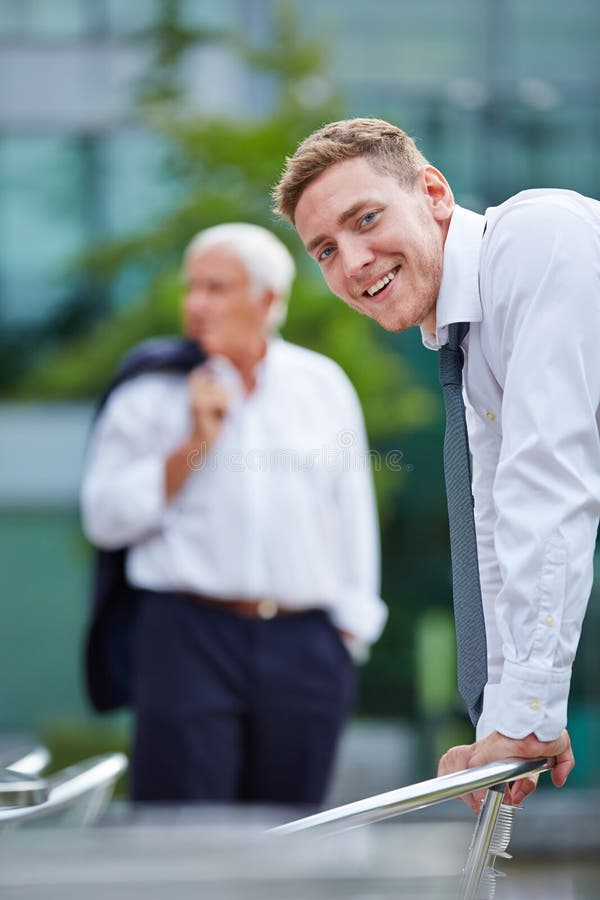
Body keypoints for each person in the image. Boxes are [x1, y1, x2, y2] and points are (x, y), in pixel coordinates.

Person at [272, 117, 600, 812]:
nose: (353, 261)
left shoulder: (536, 242)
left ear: (434, 192)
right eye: (325, 250)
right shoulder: (466, 341)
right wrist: (504, 724)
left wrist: (525, 717)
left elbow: (549, 486)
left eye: (366, 219)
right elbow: (496, 525)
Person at [81, 222, 386, 805]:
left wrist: (350, 630)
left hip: (307, 643)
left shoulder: (323, 386)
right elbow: (104, 518)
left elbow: (350, 515)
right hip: (187, 634)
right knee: (184, 841)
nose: (196, 304)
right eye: (191, 287)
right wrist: (194, 442)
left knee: (292, 836)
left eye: (217, 288)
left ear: (268, 300)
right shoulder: (149, 391)